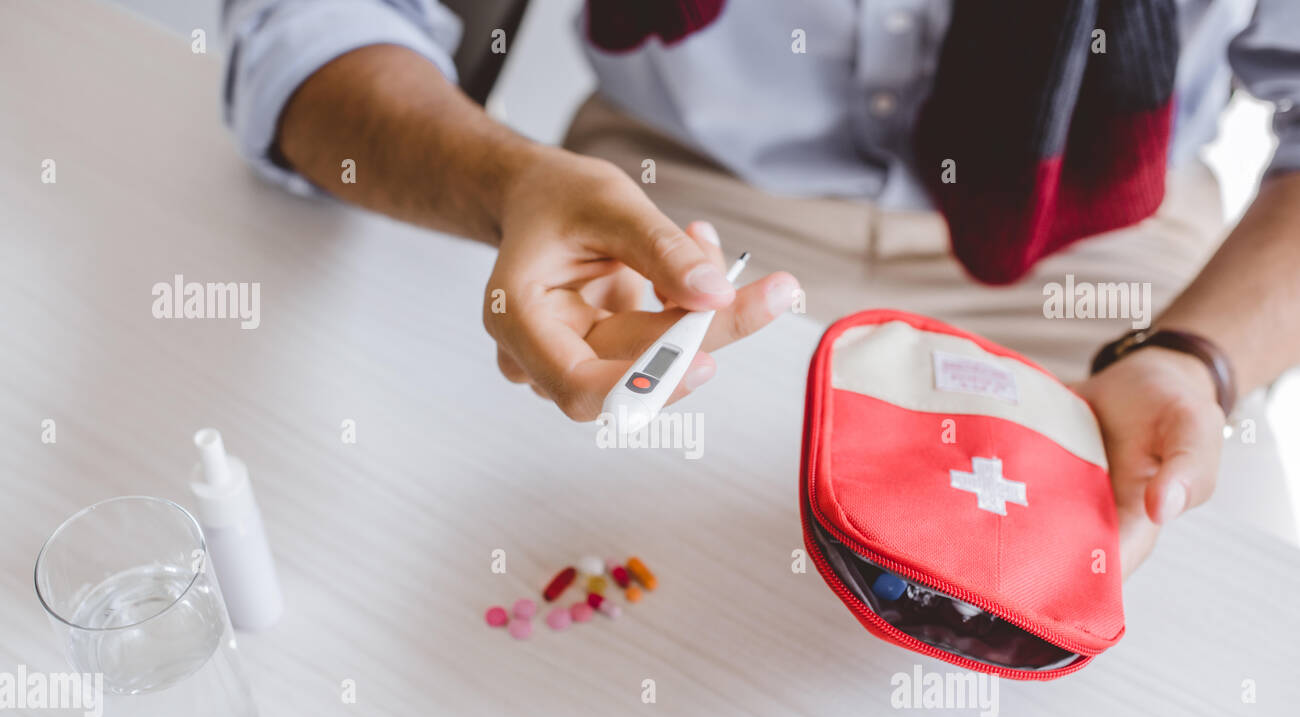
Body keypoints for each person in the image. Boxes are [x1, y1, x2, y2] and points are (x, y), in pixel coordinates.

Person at [219, 0, 1300, 576]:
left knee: (1162, 617)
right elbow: (302, 22)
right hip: (669, 203)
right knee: (567, 578)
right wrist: (506, 186)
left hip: (1109, 231)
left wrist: (1198, 357)